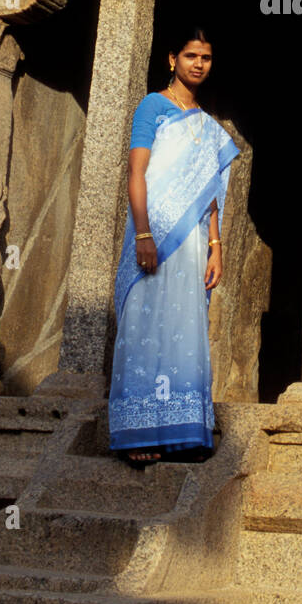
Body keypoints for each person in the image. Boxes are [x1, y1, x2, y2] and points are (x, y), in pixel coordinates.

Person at [108, 29, 240, 465]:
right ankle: (137, 434)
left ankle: (181, 432)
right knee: (147, 325)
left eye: (205, 57)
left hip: (193, 243)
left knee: (184, 326)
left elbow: (210, 194)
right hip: (156, 235)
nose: (198, 63)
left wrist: (216, 246)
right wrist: (143, 234)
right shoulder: (154, 107)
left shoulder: (205, 123)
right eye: (190, 55)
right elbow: (137, 172)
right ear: (172, 59)